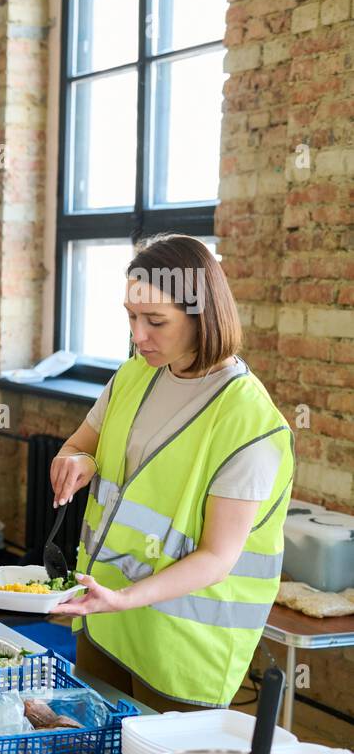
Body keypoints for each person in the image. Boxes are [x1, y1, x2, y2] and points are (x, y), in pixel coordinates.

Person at [51, 235, 294, 710]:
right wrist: (76, 460)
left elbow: (217, 558)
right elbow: (82, 443)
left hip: (183, 651)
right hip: (105, 620)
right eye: (131, 317)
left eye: (155, 321)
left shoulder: (250, 422)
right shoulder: (134, 374)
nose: (138, 336)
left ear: (203, 316)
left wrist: (124, 599)